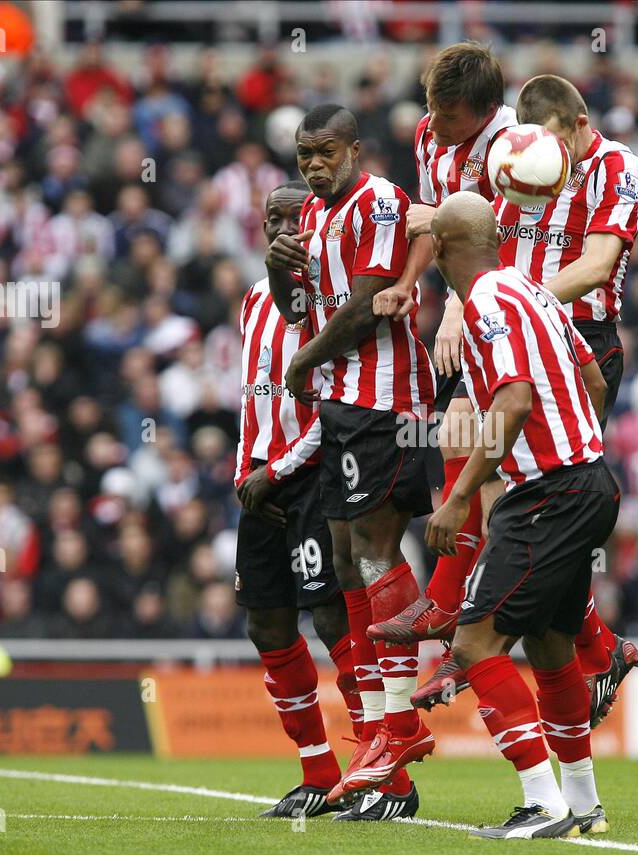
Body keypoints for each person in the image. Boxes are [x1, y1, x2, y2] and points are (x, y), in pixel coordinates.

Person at [421, 191, 618, 838]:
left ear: (443, 248)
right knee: (550, 642)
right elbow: (591, 382)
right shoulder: (534, 290)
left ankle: (543, 801)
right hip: (591, 482)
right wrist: (574, 442)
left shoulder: (481, 302)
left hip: (547, 494)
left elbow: (512, 395)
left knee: (474, 642)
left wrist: (457, 496)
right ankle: (583, 800)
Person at [265, 105, 435, 808]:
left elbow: (368, 307)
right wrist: (276, 272)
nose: (312, 164)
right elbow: (298, 311)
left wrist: (303, 362)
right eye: (304, 154)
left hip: (386, 401)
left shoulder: (382, 202)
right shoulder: (313, 220)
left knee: (372, 548)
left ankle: (399, 722)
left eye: (324, 150)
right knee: (343, 562)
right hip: (341, 406)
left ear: (354, 149)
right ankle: (378, 727)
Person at [490, 73, 638, 724]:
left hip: (582, 339)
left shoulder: (617, 165)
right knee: (504, 491)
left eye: (554, 140)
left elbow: (599, 263)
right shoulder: (521, 161)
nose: (545, 154)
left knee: (556, 499)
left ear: (577, 121)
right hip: (520, 337)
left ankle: (584, 644)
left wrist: (523, 304)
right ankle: (597, 646)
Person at [365, 42, 517, 710]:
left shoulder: (515, 147)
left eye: (448, 114)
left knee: (502, 481)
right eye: (431, 105)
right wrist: (407, 283)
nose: (433, 122)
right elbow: (438, 224)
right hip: (467, 300)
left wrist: (459, 306)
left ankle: (458, 614)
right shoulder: (431, 133)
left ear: (482, 112)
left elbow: (497, 241)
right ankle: (459, 617)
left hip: (514, 304)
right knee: (463, 444)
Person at [235, 180, 388, 820]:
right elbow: (254, 396)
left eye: (291, 216)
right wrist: (247, 469)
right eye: (271, 217)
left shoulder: (329, 304)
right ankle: (317, 772)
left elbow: (336, 401)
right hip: (257, 482)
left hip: (311, 477)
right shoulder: (250, 302)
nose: (280, 227)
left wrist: (282, 467)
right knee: (266, 623)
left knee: (333, 620)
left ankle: (376, 767)